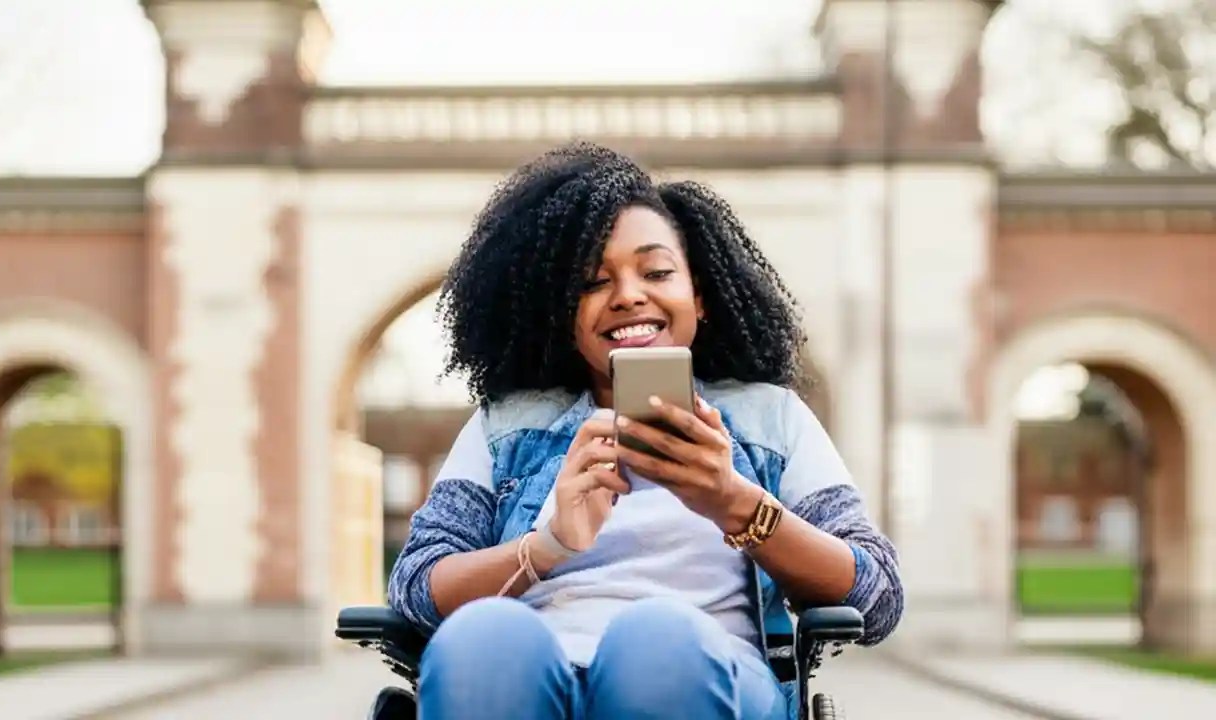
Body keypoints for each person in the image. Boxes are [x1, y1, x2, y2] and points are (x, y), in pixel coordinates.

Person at [386, 142, 902, 720]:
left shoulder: (770, 421)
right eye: (591, 282)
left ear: (698, 297)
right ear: (559, 313)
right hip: (536, 677)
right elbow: (415, 586)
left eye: (656, 272)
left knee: (656, 643)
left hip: (705, 674)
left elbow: (875, 595)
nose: (629, 294)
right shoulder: (509, 426)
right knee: (481, 642)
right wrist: (548, 545)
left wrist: (734, 503)